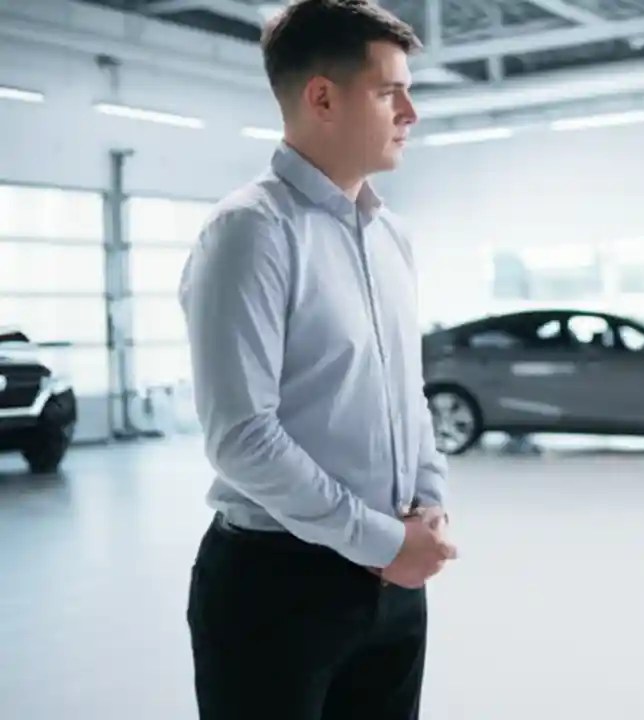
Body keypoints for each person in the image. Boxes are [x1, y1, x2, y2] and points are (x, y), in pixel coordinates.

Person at [179, 1, 457, 718]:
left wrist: (427, 507)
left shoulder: (391, 236)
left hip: (393, 585)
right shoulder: (250, 232)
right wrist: (383, 541)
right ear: (322, 98)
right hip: (278, 589)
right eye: (391, 90)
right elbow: (242, 436)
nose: (411, 113)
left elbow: (407, 394)